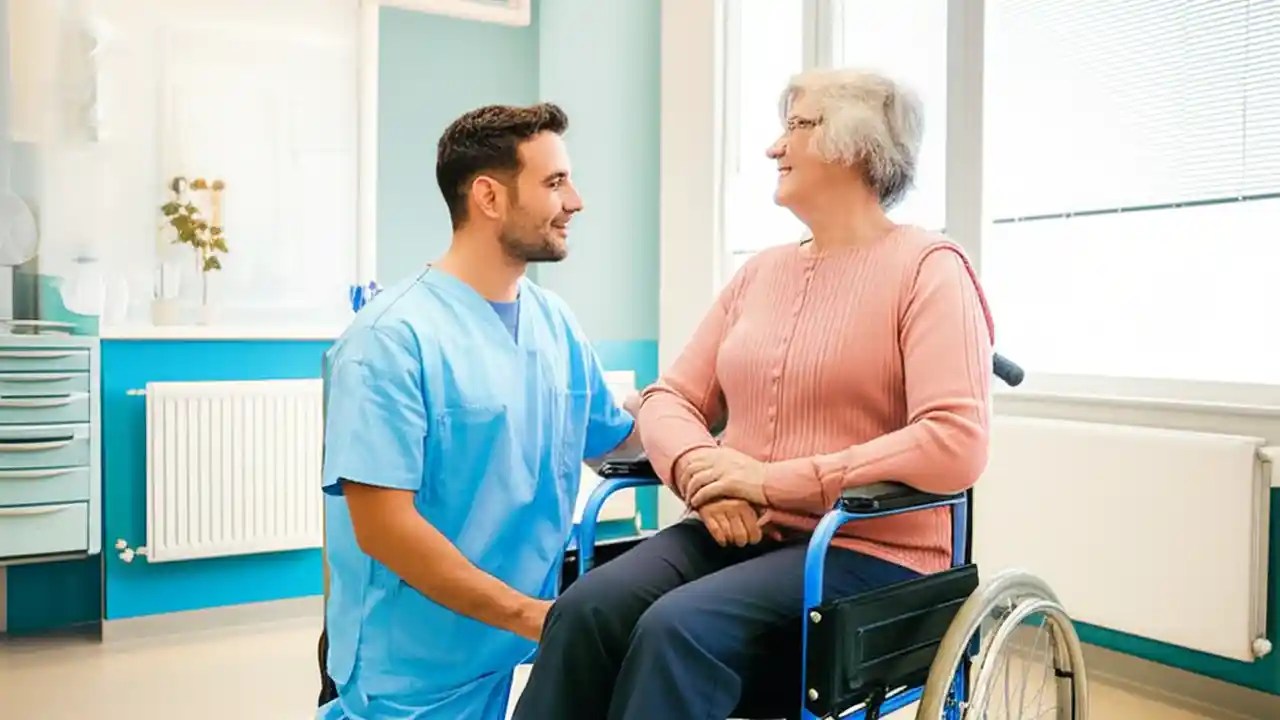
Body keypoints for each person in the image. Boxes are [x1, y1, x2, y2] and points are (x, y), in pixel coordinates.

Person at [512, 68, 995, 719]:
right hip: (735, 531)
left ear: (857, 145)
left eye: (798, 125)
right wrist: (701, 475)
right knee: (585, 607)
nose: (775, 147)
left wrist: (769, 483)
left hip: (868, 549)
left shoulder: (930, 270)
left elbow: (954, 441)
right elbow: (668, 398)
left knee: (677, 630)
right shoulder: (761, 273)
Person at [319, 102, 641, 720]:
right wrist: (533, 616)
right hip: (412, 668)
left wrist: (704, 430)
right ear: (489, 197)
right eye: (554, 182)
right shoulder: (388, 340)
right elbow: (384, 527)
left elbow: (615, 436)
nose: (576, 201)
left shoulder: (554, 323)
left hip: (508, 645)